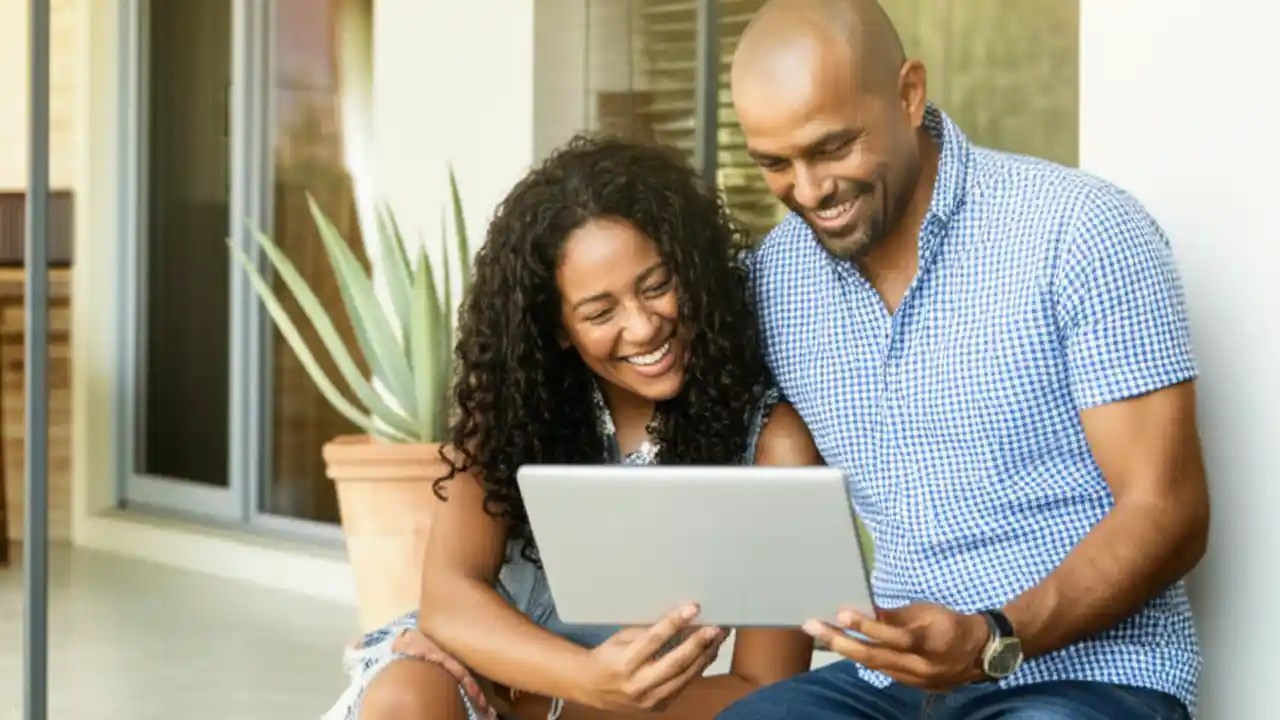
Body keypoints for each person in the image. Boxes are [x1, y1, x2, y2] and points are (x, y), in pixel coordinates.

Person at [717, 0, 1210, 718]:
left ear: (909, 94)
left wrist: (991, 638)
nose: (810, 189)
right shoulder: (775, 280)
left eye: (832, 148)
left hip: (1084, 676)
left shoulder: (1078, 231)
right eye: (774, 163)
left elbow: (1169, 511)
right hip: (890, 685)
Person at [321, 135, 818, 720]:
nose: (642, 328)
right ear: (558, 328)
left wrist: (555, 704)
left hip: (622, 715)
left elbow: (763, 691)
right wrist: (580, 678)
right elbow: (449, 602)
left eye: (657, 285)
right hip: (468, 683)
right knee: (408, 698)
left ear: (695, 270)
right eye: (600, 313)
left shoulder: (772, 444)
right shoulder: (515, 407)